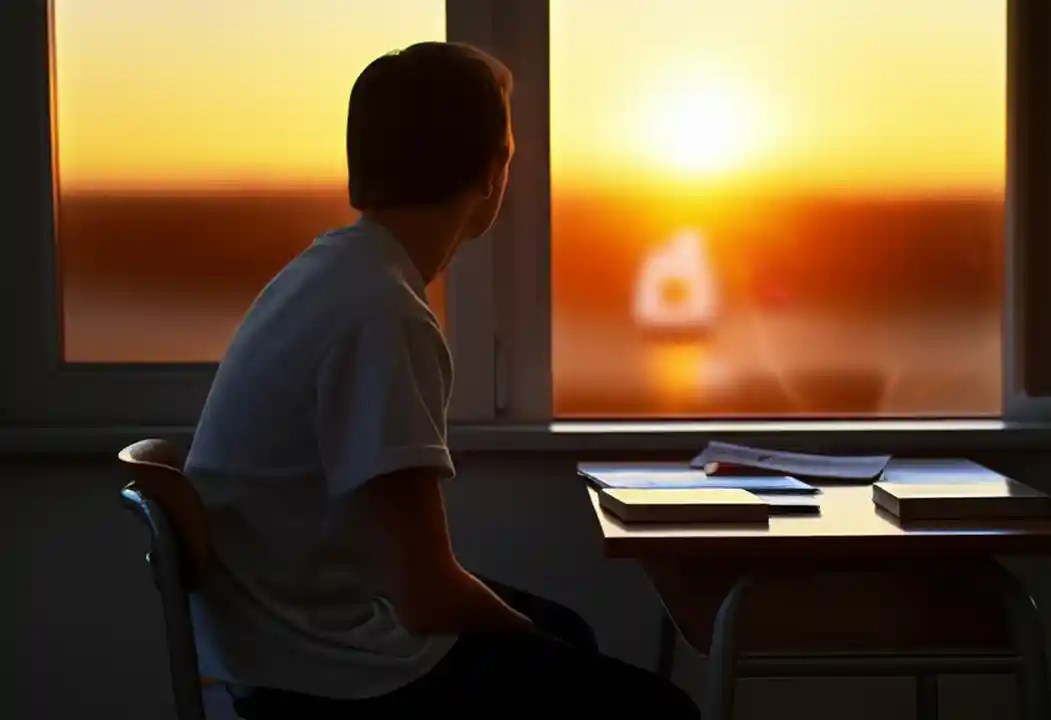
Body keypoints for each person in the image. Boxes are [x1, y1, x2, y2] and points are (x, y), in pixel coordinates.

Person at [184, 42, 700, 719]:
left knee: (567, 636)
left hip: (276, 645)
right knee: (660, 707)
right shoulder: (383, 313)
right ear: (490, 175)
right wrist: (530, 638)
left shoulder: (326, 272)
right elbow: (426, 597)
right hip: (336, 675)